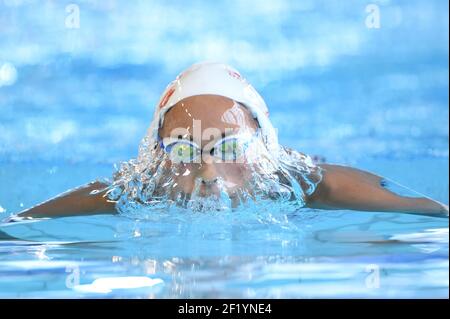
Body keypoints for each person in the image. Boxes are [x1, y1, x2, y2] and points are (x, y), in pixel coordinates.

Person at [14, 62, 449, 219]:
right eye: (184, 149)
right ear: (155, 155)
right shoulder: (143, 186)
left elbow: (425, 211)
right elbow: (24, 225)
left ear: (261, 147)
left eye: (229, 148)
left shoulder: (293, 180)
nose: (207, 172)